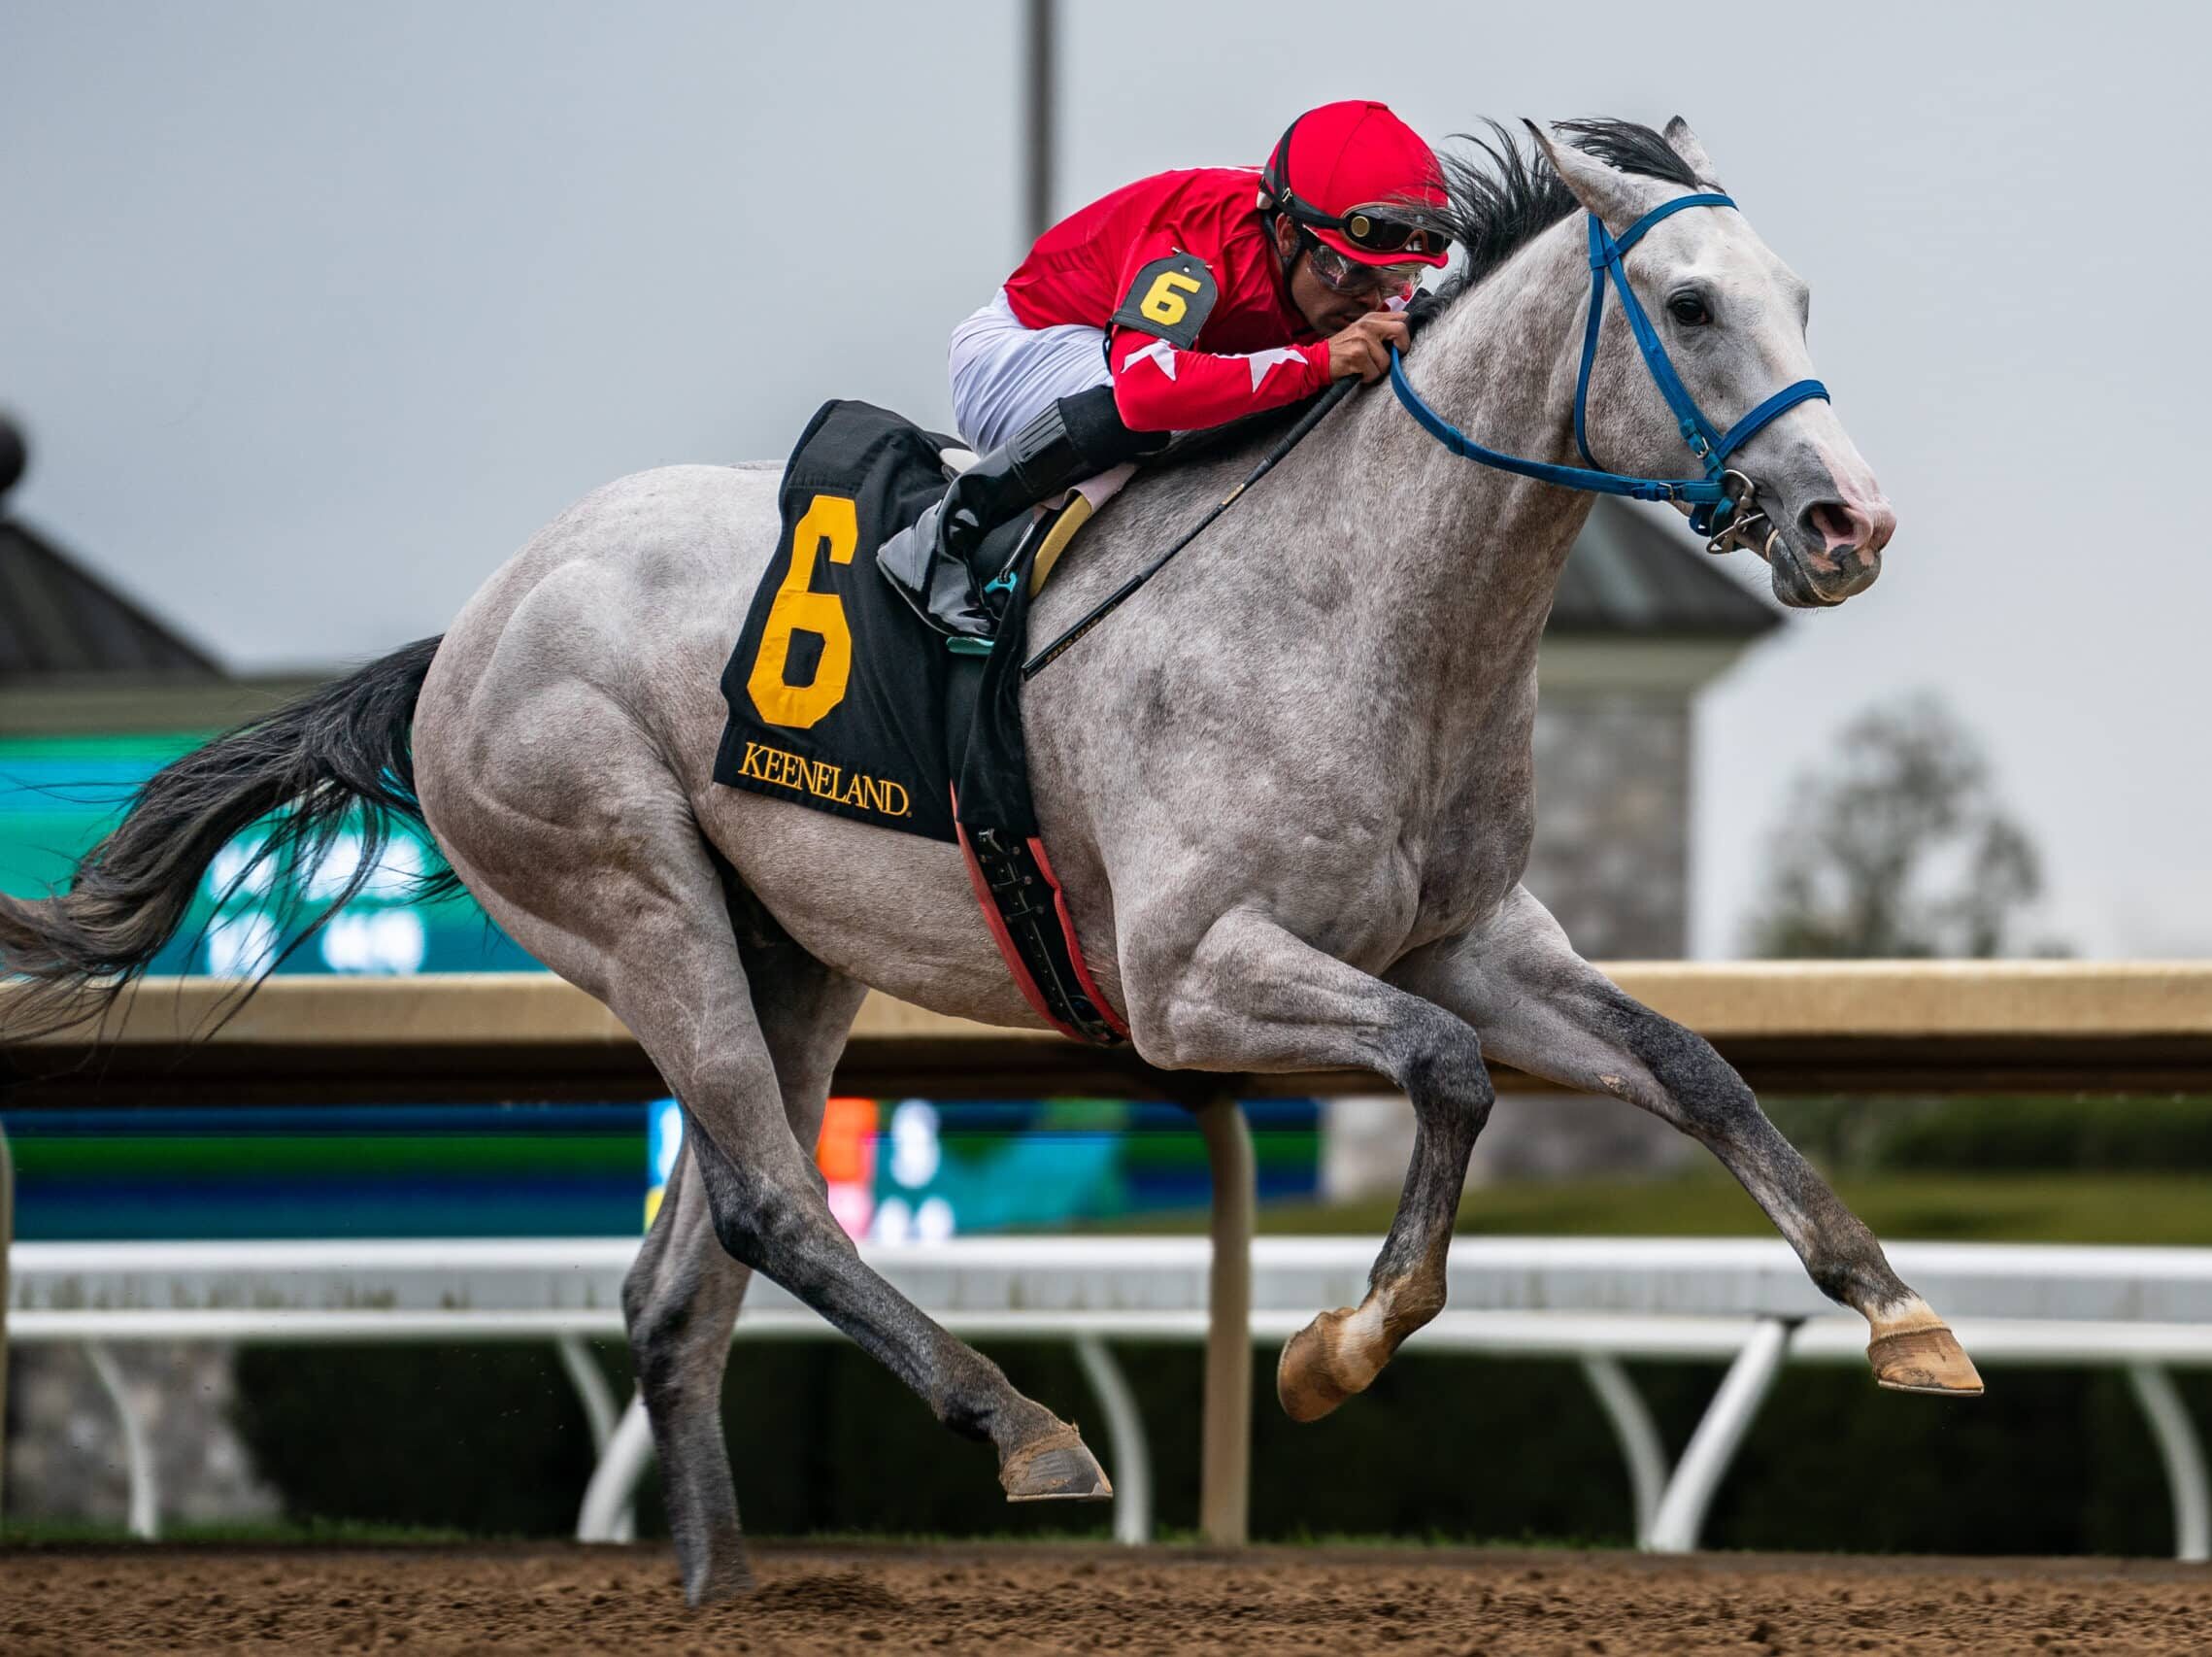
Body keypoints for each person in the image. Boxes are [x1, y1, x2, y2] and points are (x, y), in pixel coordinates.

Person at [878, 99, 1454, 638]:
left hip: (1127, 358)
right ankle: (938, 537)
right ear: (1285, 232)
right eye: (1344, 271)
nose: (1370, 299)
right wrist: (1316, 362)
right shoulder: (1199, 239)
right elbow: (1145, 394)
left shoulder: (1349, 271)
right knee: (1171, 410)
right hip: (1022, 351)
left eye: (1397, 278)